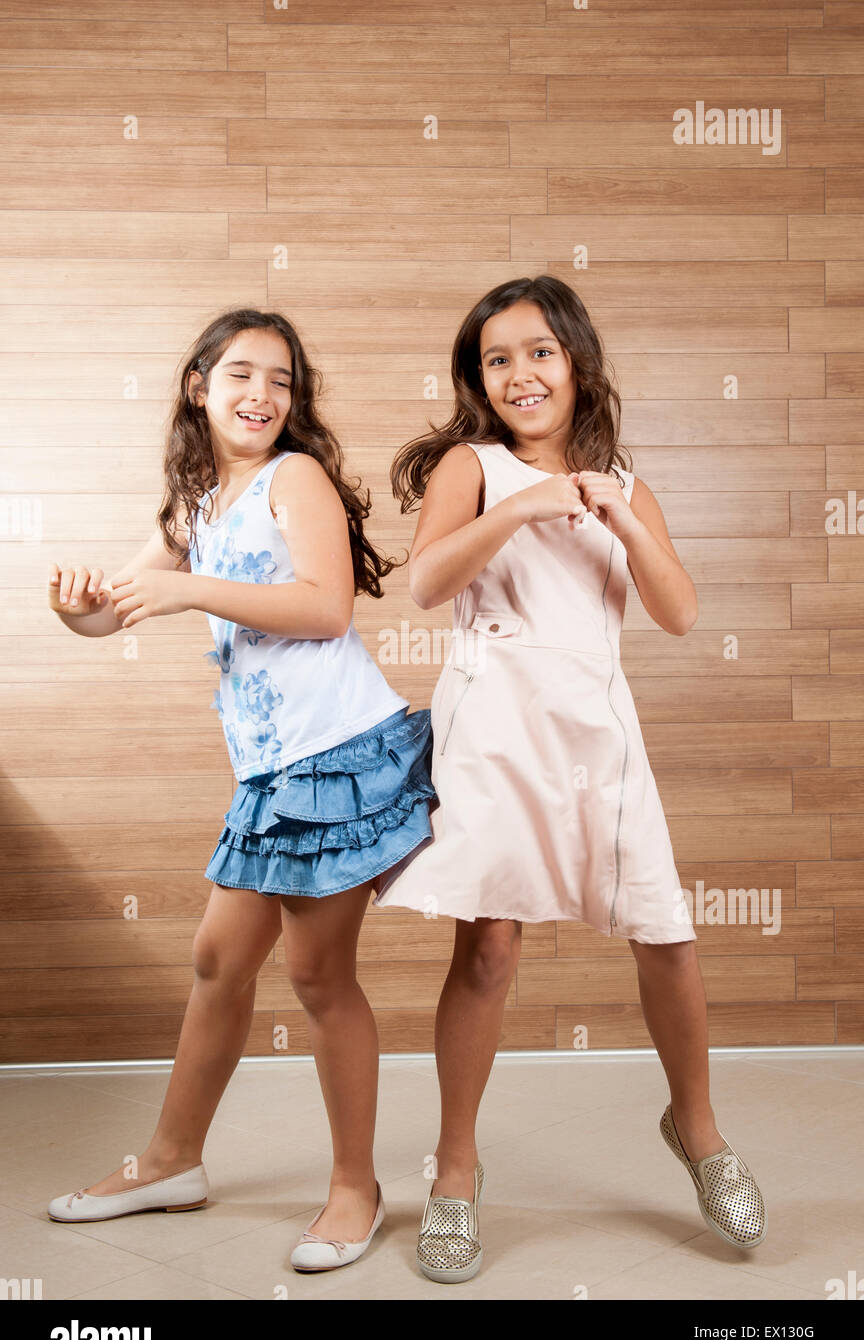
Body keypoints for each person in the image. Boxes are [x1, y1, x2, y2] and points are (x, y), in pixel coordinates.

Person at [374, 275, 766, 1281]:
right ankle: (455, 1167)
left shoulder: (629, 489)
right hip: (495, 726)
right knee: (491, 948)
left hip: (597, 730)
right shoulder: (473, 465)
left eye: (539, 351)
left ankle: (700, 1129)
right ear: (479, 378)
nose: (519, 373)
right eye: (496, 358)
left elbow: (676, 612)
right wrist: (532, 502)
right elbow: (425, 583)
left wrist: (614, 515)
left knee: (666, 935)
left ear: (578, 362)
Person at [46, 307, 437, 1272]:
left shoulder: (292, 479)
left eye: (280, 381)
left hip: (339, 760)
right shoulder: (192, 507)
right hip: (269, 776)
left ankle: (357, 1187)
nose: (261, 395)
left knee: (315, 976)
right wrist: (76, 611)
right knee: (220, 962)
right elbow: (115, 615)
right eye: (240, 375)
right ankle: (173, 1161)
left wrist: (193, 591)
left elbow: (324, 605)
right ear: (200, 388)